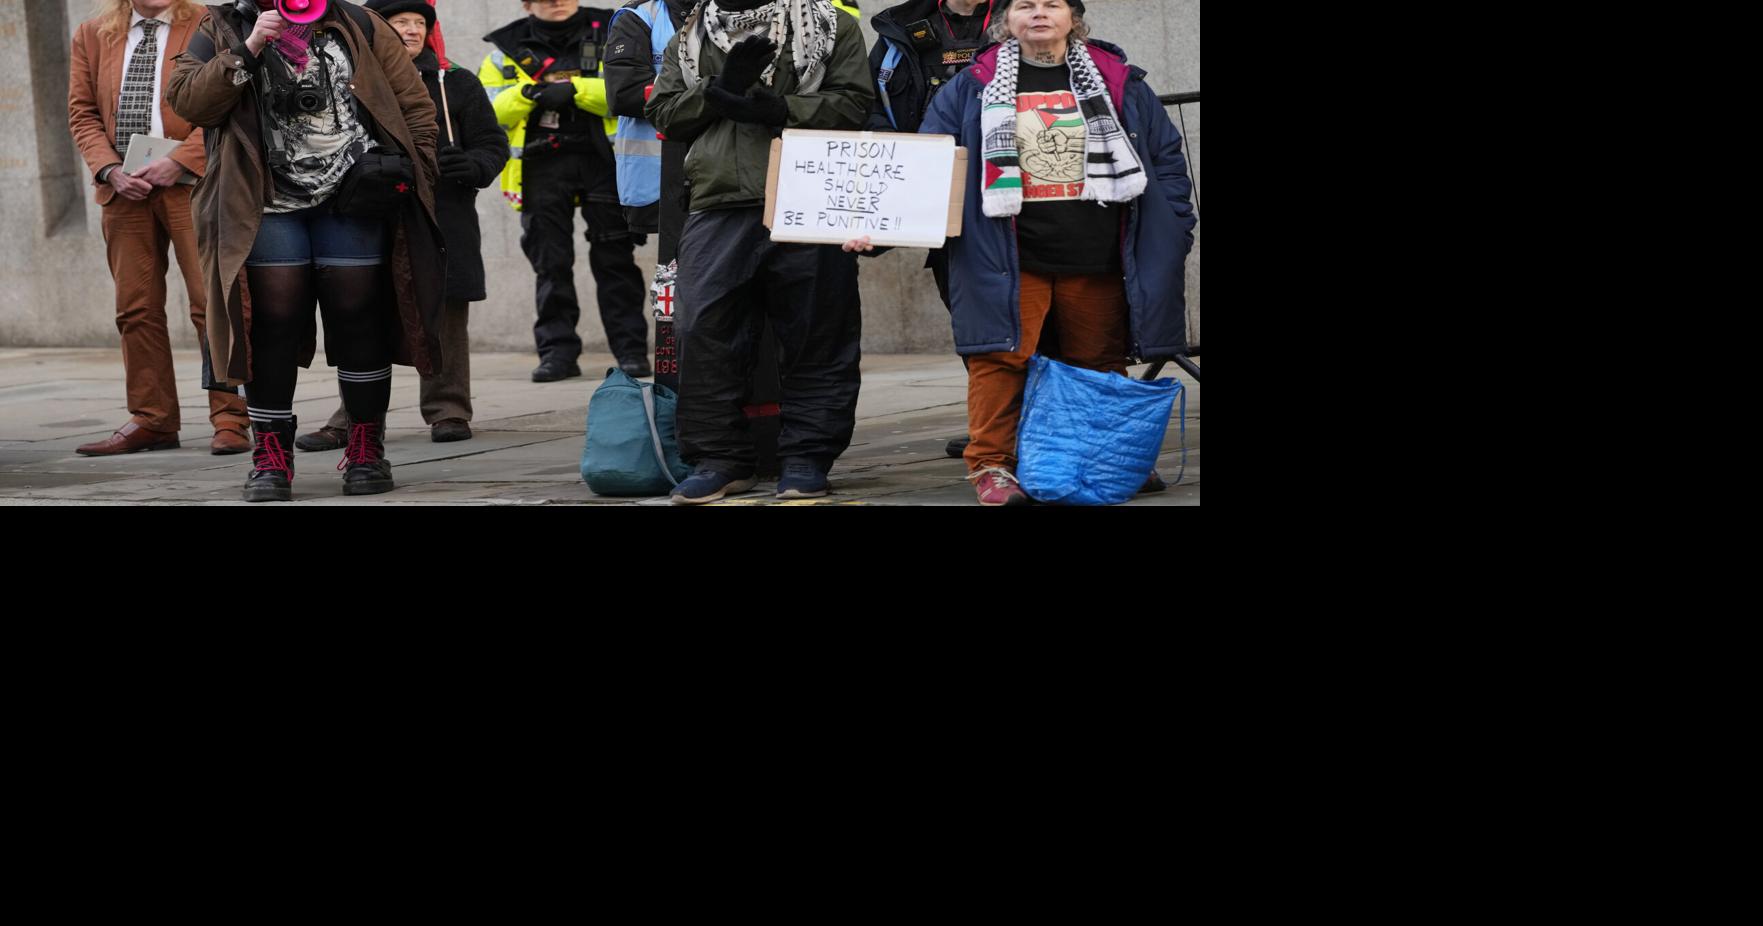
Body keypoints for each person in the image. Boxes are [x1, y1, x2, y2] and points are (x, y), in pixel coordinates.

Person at [849, 0, 1195, 505]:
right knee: (998, 357)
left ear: (1073, 17)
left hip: (1096, 250)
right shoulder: (972, 85)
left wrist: (1176, 225)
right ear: (1005, 21)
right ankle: (992, 466)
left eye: (1051, 4)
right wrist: (878, 227)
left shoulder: (1118, 80)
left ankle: (1102, 458)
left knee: (1097, 361)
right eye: (1025, 5)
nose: (1038, 13)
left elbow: (1165, 158)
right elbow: (930, 165)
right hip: (1005, 252)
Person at [169, 0, 446, 501]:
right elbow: (188, 103)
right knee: (274, 323)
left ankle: (366, 448)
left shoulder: (359, 23)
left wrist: (410, 169)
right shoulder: (225, 24)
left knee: (358, 316)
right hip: (267, 204)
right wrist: (251, 47)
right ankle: (272, 457)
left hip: (355, 198)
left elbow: (414, 105)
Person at [645, 0, 873, 504]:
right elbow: (663, 111)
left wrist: (779, 108)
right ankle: (719, 460)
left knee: (818, 331)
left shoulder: (832, 25)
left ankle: (807, 457)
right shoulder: (689, 36)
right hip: (718, 198)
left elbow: (855, 102)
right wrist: (718, 91)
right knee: (701, 329)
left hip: (810, 192)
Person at [298, 0, 510, 449]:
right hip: (367, 215)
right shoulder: (344, 79)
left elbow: (493, 146)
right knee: (359, 315)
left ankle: (449, 410)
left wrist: (470, 165)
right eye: (401, 23)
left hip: (441, 217)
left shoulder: (457, 83)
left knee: (445, 314)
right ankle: (351, 416)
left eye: (420, 23)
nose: (413, 30)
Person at [68, 0, 252, 457]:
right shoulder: (93, 33)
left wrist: (180, 160)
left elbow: (230, 98)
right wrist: (108, 168)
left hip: (194, 183)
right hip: (124, 190)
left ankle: (231, 418)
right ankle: (152, 419)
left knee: (213, 304)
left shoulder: (210, 23)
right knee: (135, 308)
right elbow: (82, 112)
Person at [480, 0, 651, 383]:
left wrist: (574, 89)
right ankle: (557, 354)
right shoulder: (504, 50)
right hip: (541, 166)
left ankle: (632, 352)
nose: (557, 1)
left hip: (603, 163)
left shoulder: (614, 33)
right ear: (526, 3)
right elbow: (487, 111)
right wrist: (529, 95)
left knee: (615, 260)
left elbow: (629, 92)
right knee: (550, 263)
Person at [865, 0, 992, 458]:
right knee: (971, 318)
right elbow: (870, 108)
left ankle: (1041, 422)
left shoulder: (1025, 14)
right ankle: (995, 422)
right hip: (939, 201)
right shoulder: (901, 29)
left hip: (1018, 199)